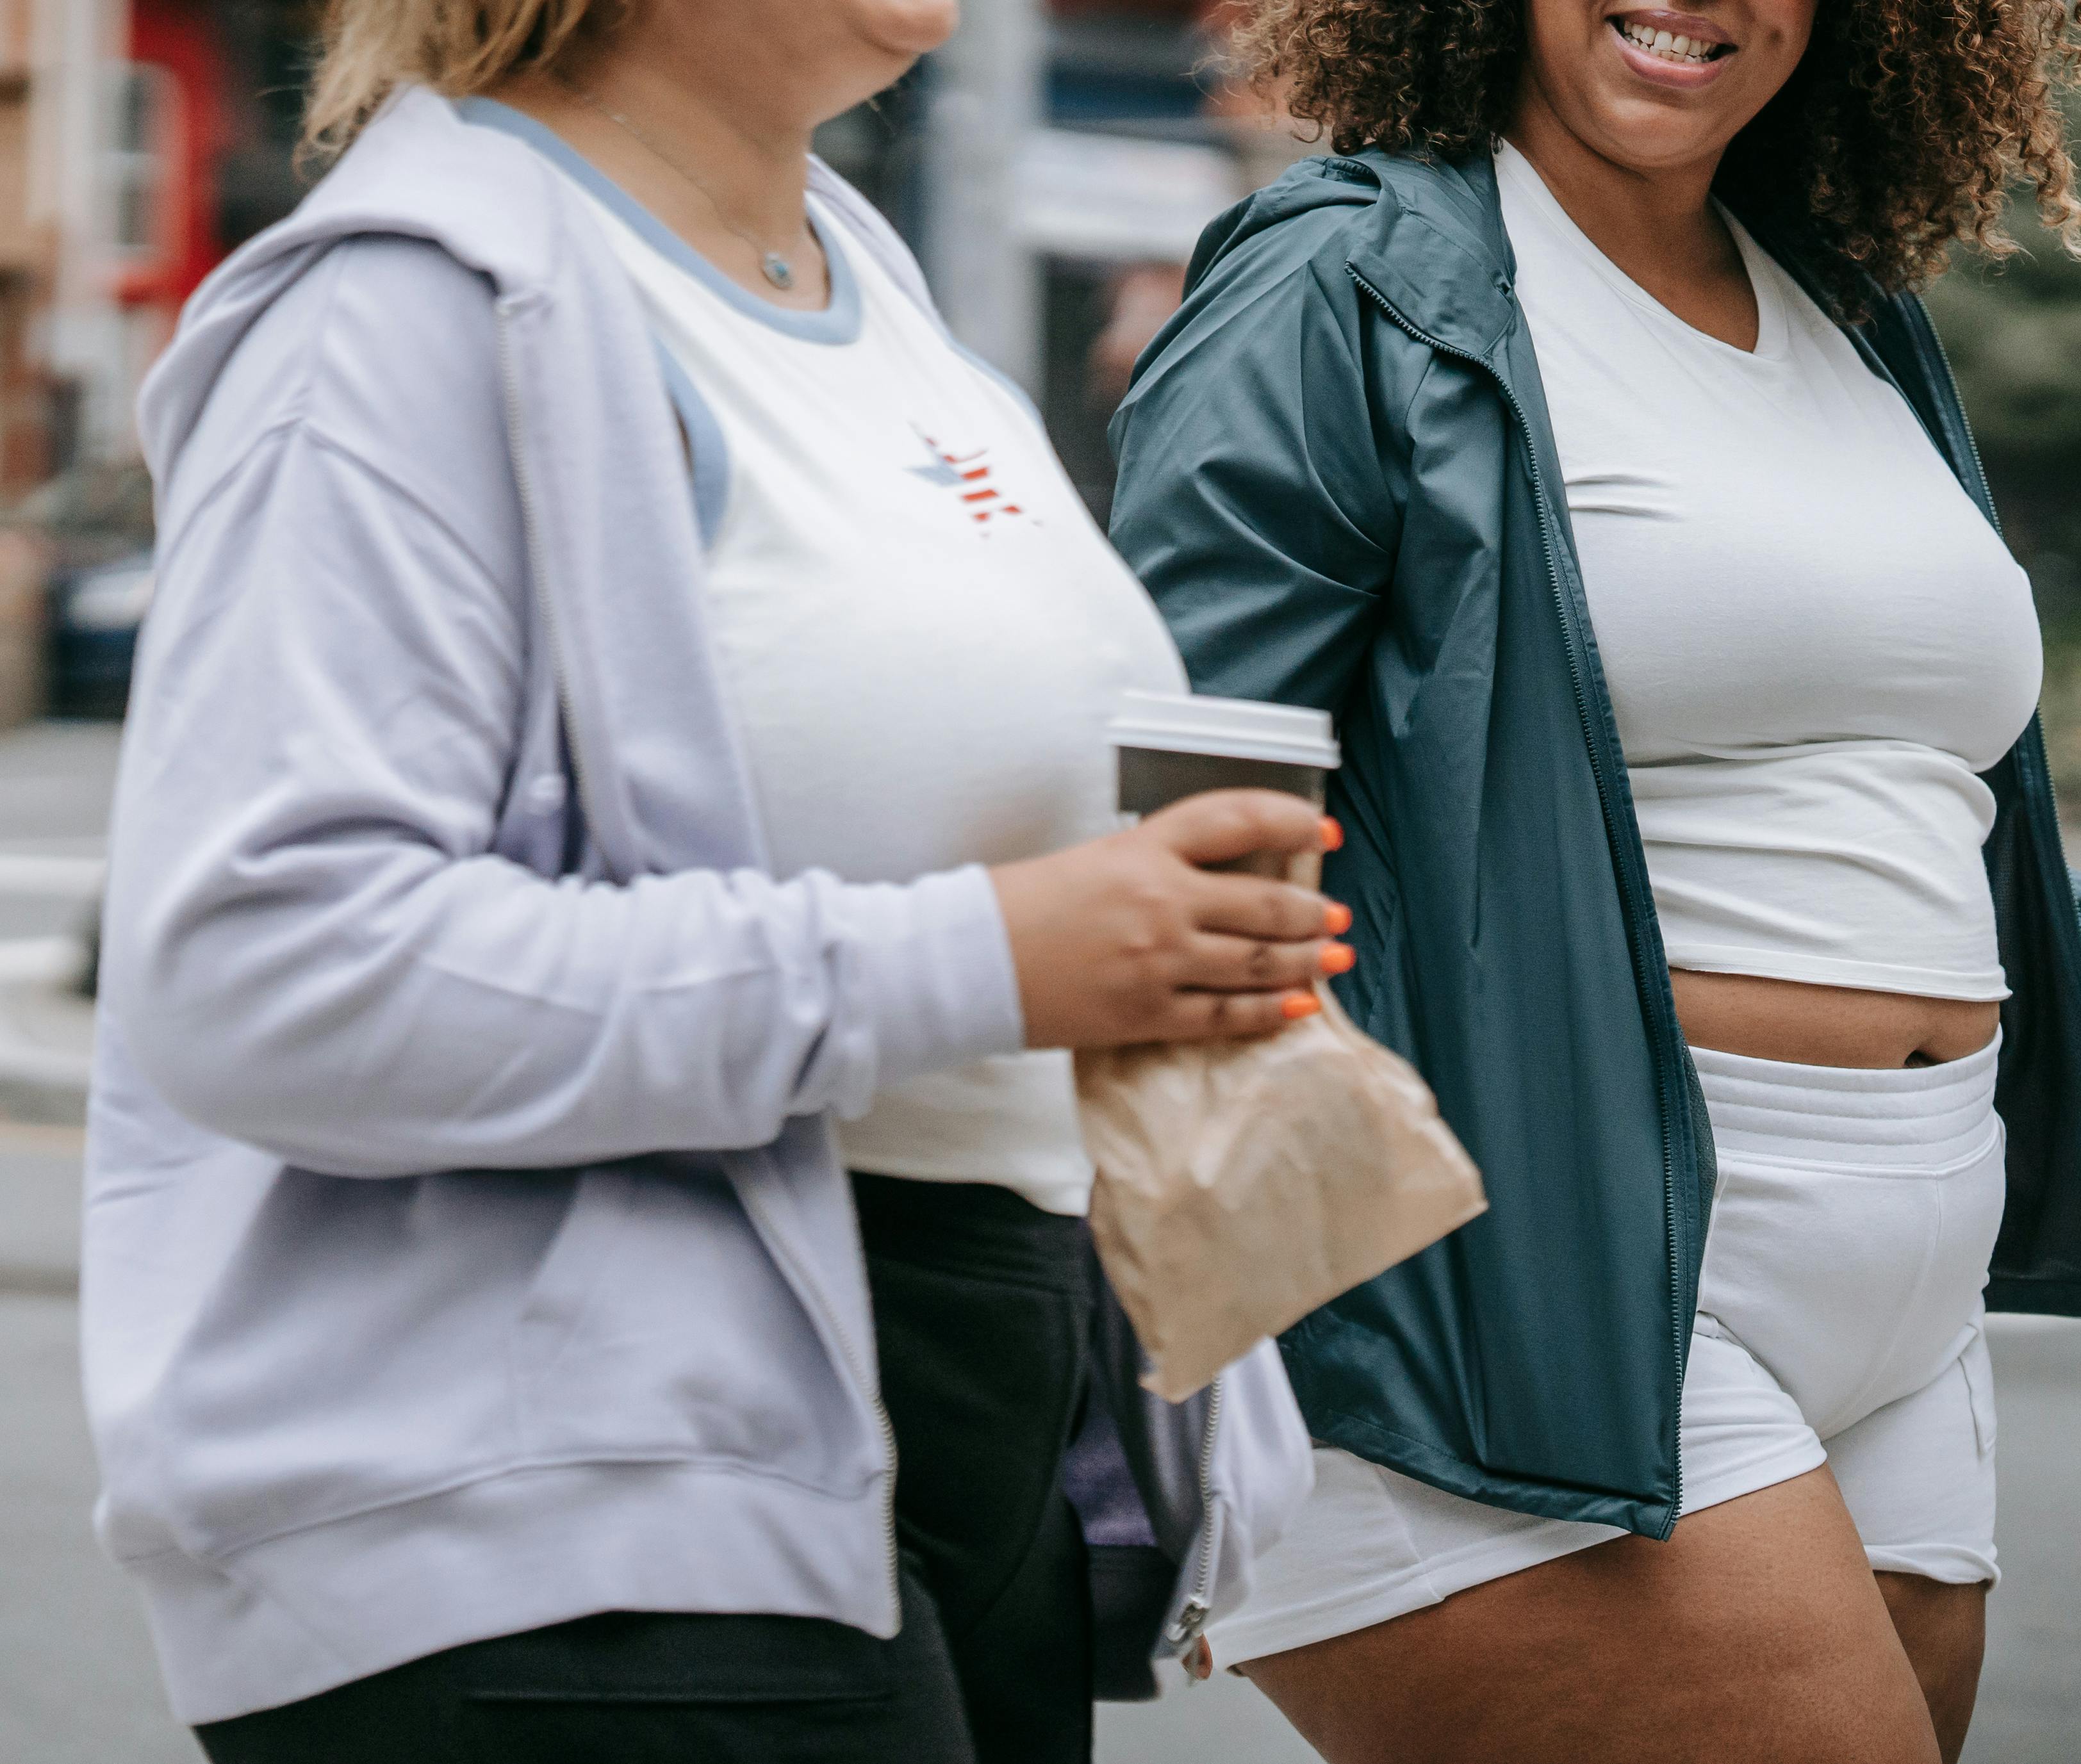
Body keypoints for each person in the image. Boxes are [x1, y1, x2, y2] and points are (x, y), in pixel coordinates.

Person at [1107, 2, 2081, 1760]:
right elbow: (1170, 794)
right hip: (1516, 1268)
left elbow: (1897, 832)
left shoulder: (1844, 306)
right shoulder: (1350, 279)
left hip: (1902, 1279)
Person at [84, 2, 1335, 1760]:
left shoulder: (856, 268)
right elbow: (269, 966)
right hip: (573, 1492)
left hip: (954, 1387)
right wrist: (986, 955)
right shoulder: (403, 304)